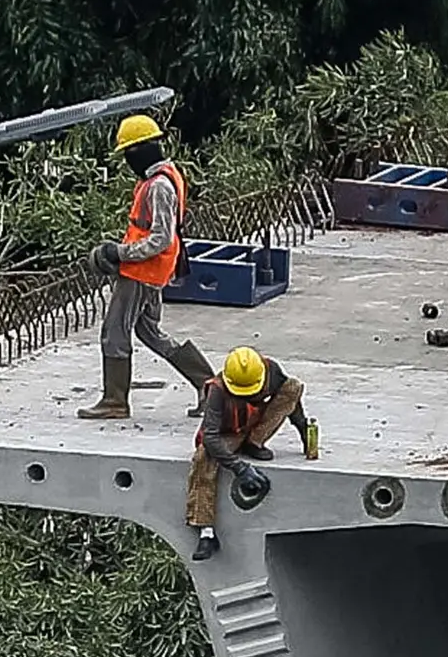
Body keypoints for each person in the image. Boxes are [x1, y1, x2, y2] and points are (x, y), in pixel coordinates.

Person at [79, 115, 217, 419]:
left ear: (141, 150)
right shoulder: (160, 178)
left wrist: (120, 252)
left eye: (129, 153)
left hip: (142, 272)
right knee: (150, 332)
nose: (128, 160)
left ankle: (115, 401)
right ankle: (209, 385)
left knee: (114, 333)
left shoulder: (159, 186)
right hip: (149, 270)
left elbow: (160, 239)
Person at [187, 347, 316, 562]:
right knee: (203, 457)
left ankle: (255, 443)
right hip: (230, 432)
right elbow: (210, 436)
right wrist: (239, 467)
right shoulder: (217, 390)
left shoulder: (270, 371)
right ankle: (206, 532)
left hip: (254, 426)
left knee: (294, 386)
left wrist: (303, 429)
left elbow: (290, 398)